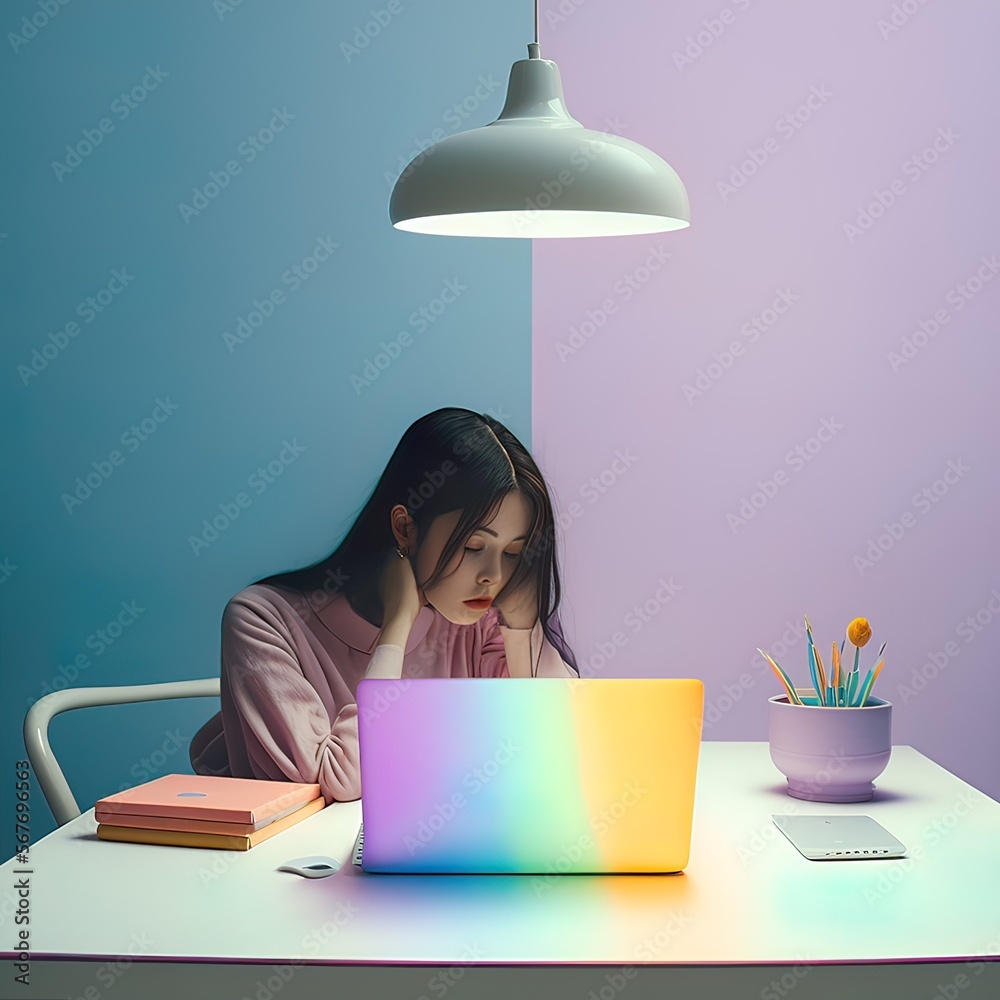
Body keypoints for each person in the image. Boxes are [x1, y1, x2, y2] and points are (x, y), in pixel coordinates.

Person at [189, 407, 579, 804]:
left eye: (512, 553)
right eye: (474, 547)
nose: (493, 576)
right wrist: (396, 629)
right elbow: (342, 782)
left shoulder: (483, 625)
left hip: (438, 837)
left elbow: (566, 746)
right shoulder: (263, 621)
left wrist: (523, 625)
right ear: (405, 528)